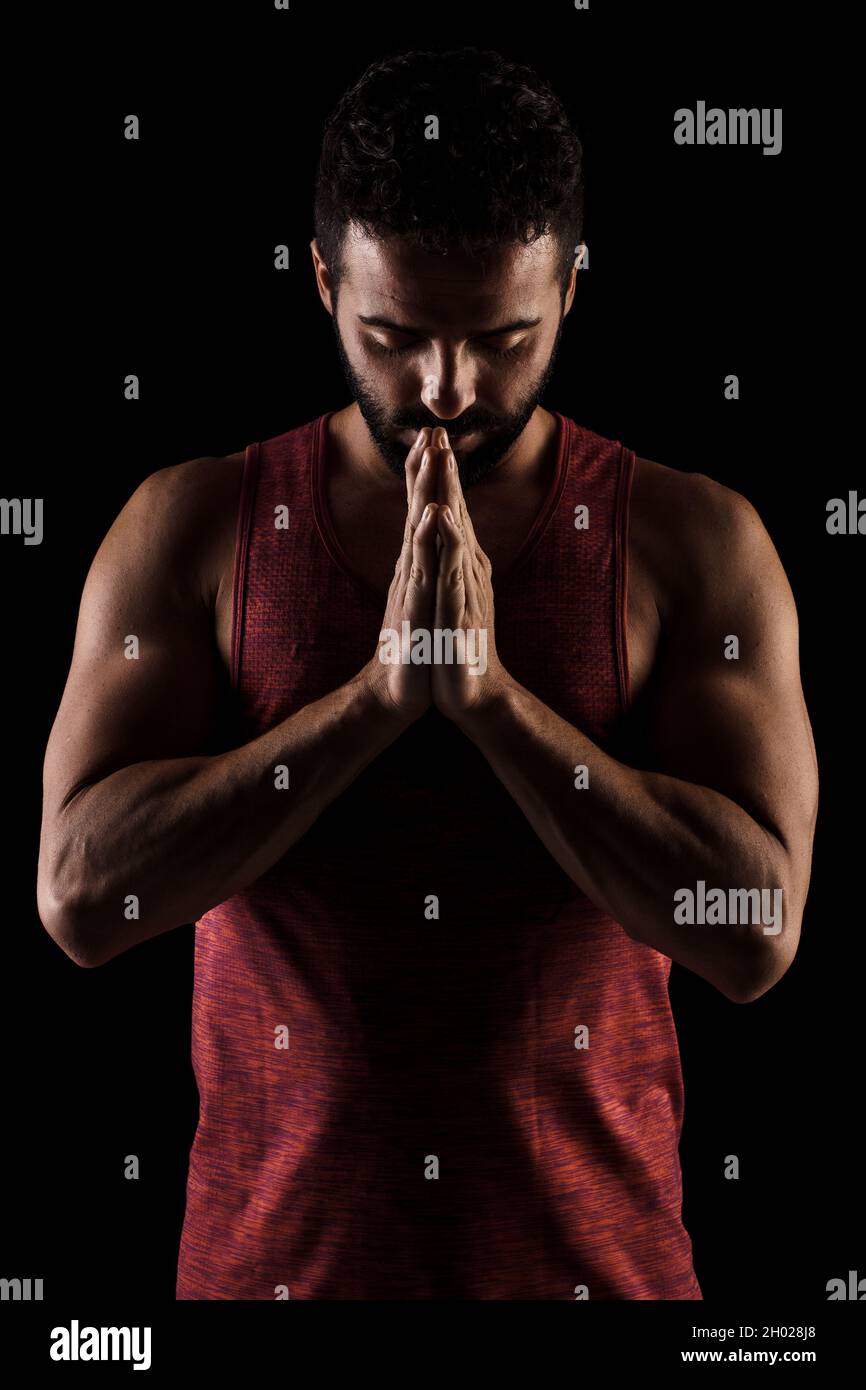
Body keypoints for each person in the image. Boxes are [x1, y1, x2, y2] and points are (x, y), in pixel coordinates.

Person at [37, 48, 818, 1300]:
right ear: (318, 281)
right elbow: (81, 900)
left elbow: (754, 933)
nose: (445, 389)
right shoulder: (190, 526)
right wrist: (376, 701)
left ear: (570, 287)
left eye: (501, 337)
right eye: (393, 334)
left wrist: (493, 704)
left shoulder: (692, 540)